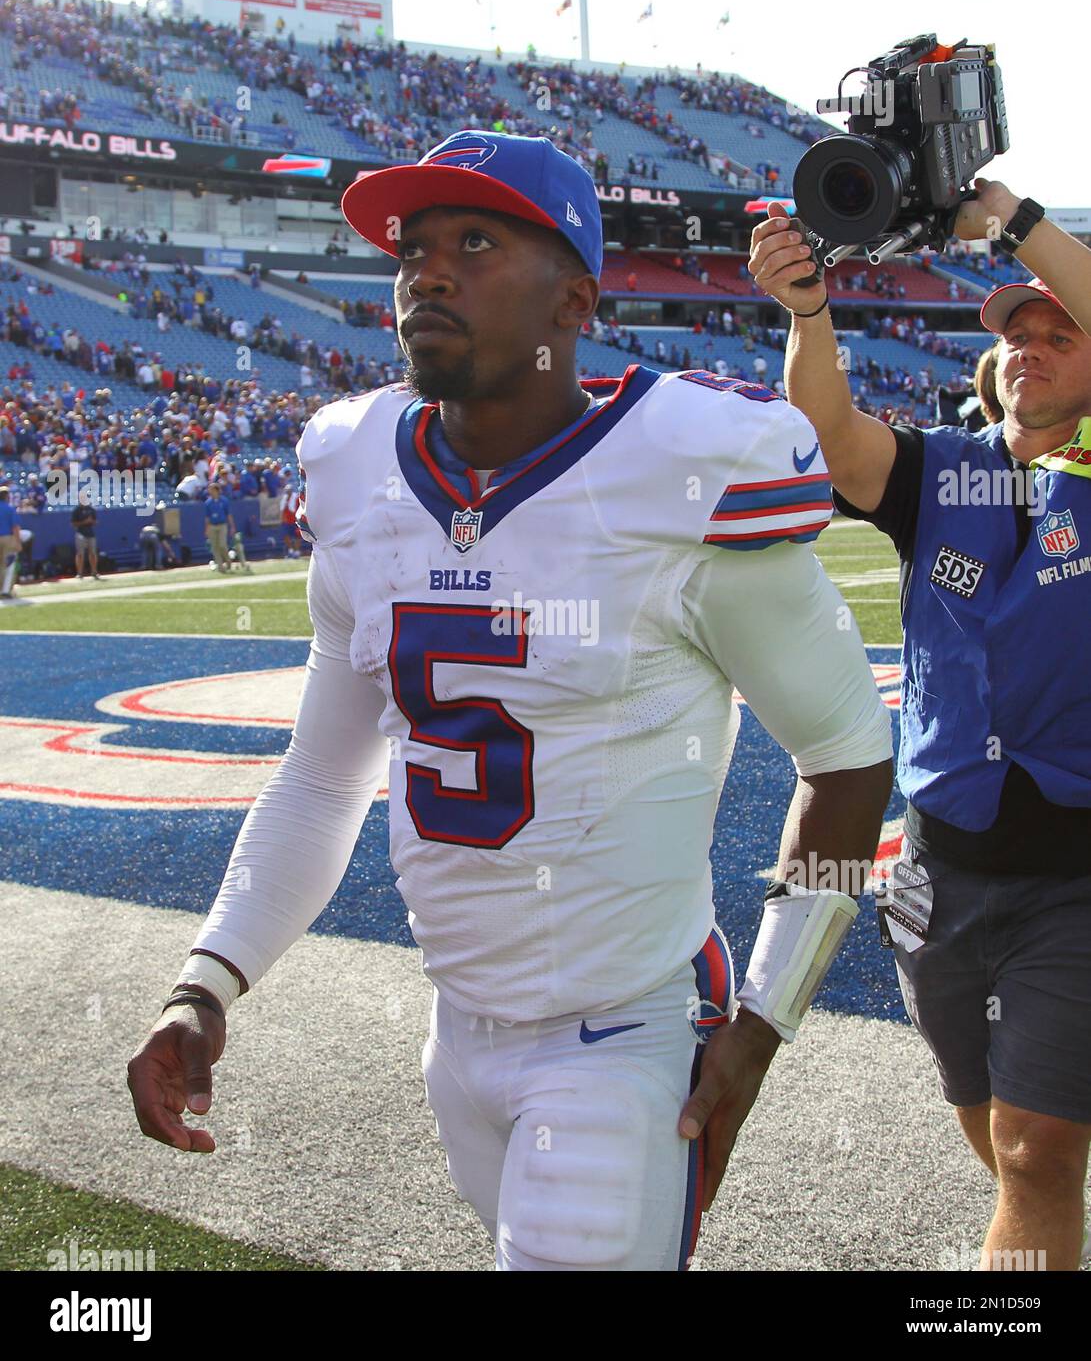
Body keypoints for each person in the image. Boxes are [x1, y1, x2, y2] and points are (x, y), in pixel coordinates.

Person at [128, 131, 893, 1272]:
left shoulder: (680, 463)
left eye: (474, 242)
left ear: (574, 299)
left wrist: (767, 1016)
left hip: (624, 1031)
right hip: (454, 1036)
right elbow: (324, 772)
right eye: (414, 248)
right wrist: (208, 979)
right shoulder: (356, 472)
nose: (426, 273)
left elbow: (848, 751)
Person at [749, 180, 1091, 1272]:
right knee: (991, 1121)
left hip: (1074, 875)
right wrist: (808, 315)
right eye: (1016, 335)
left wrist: (1019, 219)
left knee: (1035, 1151)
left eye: (1058, 333)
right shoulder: (944, 471)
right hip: (935, 870)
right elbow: (826, 433)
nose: (1029, 349)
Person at [203, 482, 235, 574]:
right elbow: (207, 518)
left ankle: (228, 562)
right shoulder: (208, 503)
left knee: (222, 545)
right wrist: (206, 529)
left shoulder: (224, 501)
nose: (209, 491)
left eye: (211, 489)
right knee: (214, 547)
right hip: (212, 526)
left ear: (216, 490)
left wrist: (232, 526)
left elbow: (228, 514)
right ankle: (221, 567)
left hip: (222, 525)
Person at [71, 491, 100, 579]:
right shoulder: (76, 510)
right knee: (80, 554)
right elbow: (73, 524)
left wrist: (91, 522)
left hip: (90, 533)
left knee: (93, 553)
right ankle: (79, 573)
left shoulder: (91, 509)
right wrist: (84, 522)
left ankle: (94, 571)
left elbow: (96, 521)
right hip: (80, 533)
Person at [0, 484, 20, 598]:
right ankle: (6, 590)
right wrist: (18, 543)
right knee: (9, 565)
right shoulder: (9, 509)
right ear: (7, 497)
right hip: (7, 538)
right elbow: (15, 527)